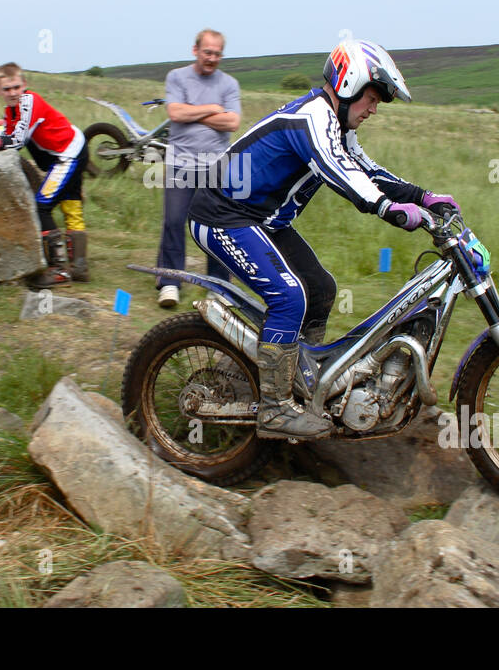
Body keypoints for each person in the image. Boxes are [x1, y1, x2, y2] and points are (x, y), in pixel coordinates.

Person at [187, 38, 460, 441]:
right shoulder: (313, 118)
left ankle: (301, 380)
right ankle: (276, 409)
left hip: (262, 220)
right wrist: (389, 209)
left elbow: (365, 169)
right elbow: (343, 175)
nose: (372, 110)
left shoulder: (333, 122)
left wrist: (422, 197)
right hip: (223, 216)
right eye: (372, 99)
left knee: (320, 288)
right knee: (289, 295)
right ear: (349, 84)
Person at [0, 63, 89, 287]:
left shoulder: (29, 101)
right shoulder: (11, 109)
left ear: (25, 85)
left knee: (42, 205)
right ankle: (79, 267)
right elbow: (9, 132)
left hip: (68, 154)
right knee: (71, 204)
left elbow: (17, 141)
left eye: (16, 87)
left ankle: (59, 271)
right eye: (7, 89)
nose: (12, 93)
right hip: (69, 149)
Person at [156, 28, 241, 308]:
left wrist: (193, 112)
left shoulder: (229, 83)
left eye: (217, 53)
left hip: (216, 165)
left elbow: (232, 123)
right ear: (195, 51)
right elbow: (175, 114)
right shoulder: (177, 77)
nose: (212, 58)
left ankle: (218, 286)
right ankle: (169, 283)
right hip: (181, 163)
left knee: (215, 226)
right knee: (174, 221)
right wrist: (213, 109)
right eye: (207, 52)